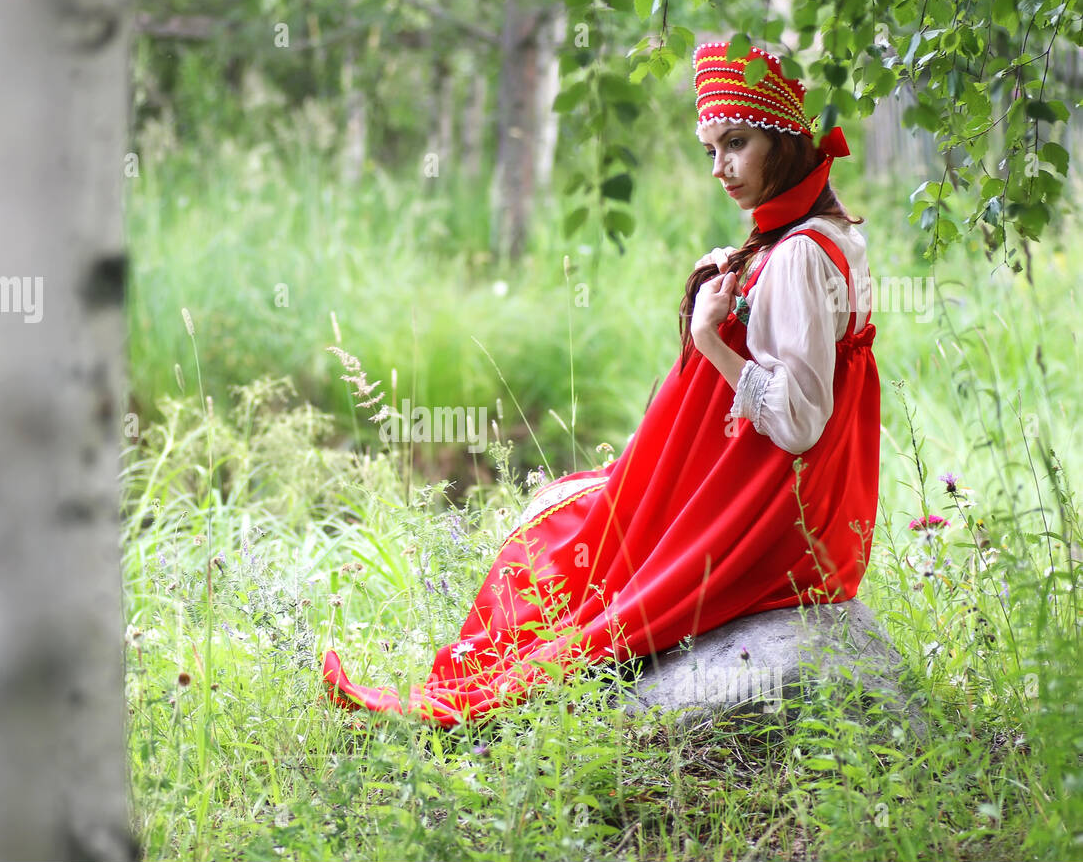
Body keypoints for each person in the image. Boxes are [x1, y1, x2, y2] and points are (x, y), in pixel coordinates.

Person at [322, 37, 880, 728]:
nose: (719, 168)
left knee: (579, 565)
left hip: (772, 515)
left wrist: (711, 338)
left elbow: (799, 422)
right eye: (710, 150)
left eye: (735, 143)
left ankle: (466, 699)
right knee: (574, 511)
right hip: (811, 506)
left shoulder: (796, 254)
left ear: (786, 142)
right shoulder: (825, 234)